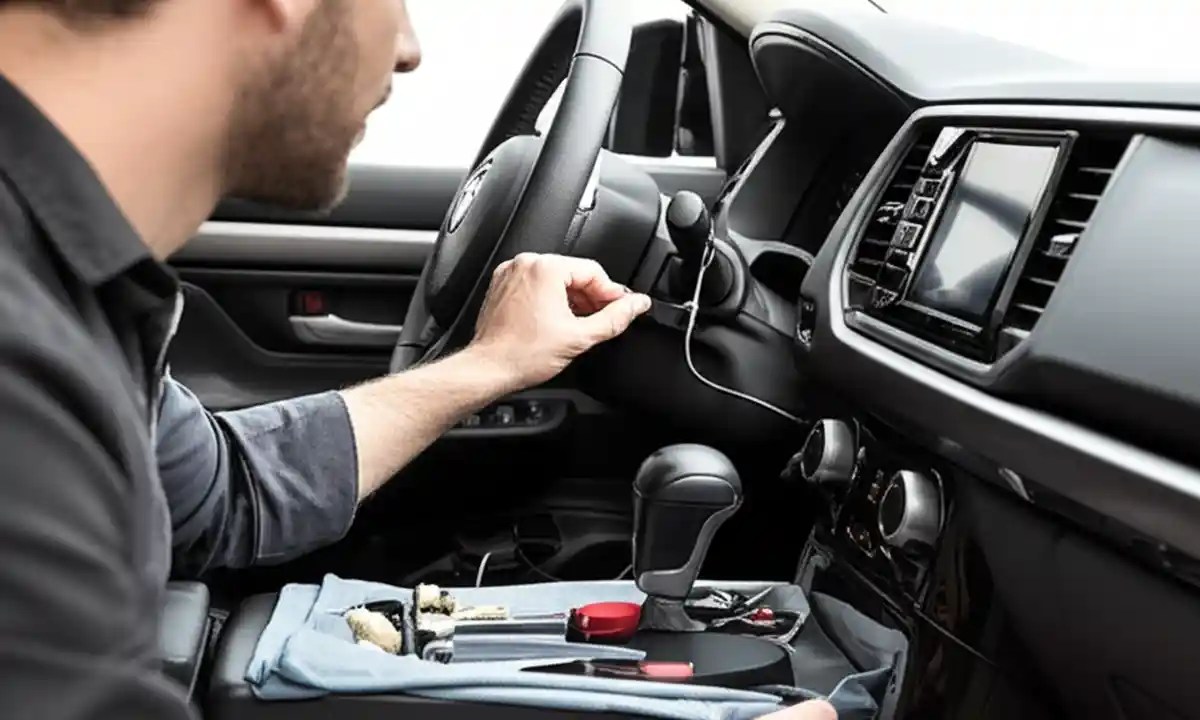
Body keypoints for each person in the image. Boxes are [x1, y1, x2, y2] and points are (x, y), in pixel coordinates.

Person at [0, 1, 836, 719]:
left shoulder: (62, 287)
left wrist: (487, 365)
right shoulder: (19, 368)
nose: (409, 47)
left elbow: (219, 493)